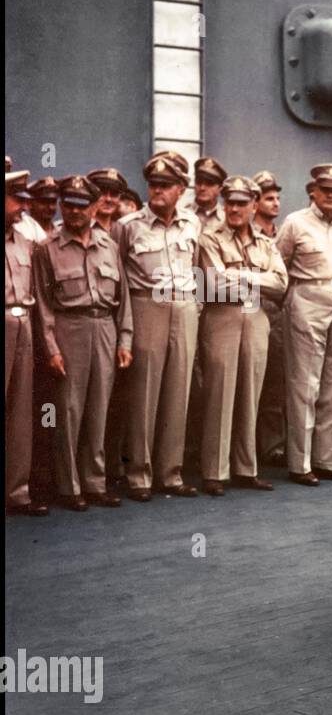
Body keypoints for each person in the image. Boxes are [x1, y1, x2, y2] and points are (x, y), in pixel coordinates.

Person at [32, 175, 133, 510]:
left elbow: (124, 299)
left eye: (80, 206)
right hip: (68, 328)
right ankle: (69, 486)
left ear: (93, 208)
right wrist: (52, 348)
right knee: (68, 411)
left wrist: (125, 340)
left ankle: (95, 481)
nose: (73, 212)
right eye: (68, 205)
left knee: (98, 409)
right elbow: (44, 305)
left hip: (104, 327)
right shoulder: (47, 249)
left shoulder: (109, 245)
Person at [113, 151, 203, 500]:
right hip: (146, 305)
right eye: (153, 184)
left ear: (181, 188)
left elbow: (195, 266)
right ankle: (138, 474)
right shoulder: (128, 226)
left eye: (165, 185)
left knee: (177, 394)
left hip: (183, 307)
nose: (157, 190)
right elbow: (120, 279)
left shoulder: (192, 224)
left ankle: (171, 473)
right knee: (143, 394)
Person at [194, 175, 288, 496]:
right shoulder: (210, 238)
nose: (234, 208)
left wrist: (241, 274)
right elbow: (213, 284)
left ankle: (246, 468)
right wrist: (258, 279)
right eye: (229, 202)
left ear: (253, 205)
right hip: (223, 316)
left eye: (241, 202)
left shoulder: (265, 242)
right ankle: (214, 471)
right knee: (220, 392)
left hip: (256, 317)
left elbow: (281, 283)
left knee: (251, 391)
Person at [276, 163, 332, 484]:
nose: (330, 195)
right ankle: (301, 463)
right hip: (306, 298)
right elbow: (279, 265)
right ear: (313, 191)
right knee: (304, 384)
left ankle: (328, 459)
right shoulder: (296, 223)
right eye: (324, 189)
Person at [5, 168, 46, 516]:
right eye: (16, 199)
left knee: (21, 412)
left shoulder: (26, 236)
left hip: (24, 322)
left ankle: (17, 491)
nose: (23, 206)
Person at [250, 170, 288, 466]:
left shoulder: (281, 234)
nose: (275, 203)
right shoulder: (249, 235)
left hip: (277, 314)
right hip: (251, 310)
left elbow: (285, 276)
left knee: (275, 382)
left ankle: (272, 446)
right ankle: (247, 447)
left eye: (277, 197)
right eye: (268, 198)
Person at [190, 157, 227, 235]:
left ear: (220, 188)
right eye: (199, 182)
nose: (202, 188)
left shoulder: (226, 218)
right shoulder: (182, 214)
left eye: (209, 183)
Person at [87, 168, 129, 234]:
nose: (108, 199)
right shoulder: (81, 228)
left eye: (114, 194)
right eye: (102, 193)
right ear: (91, 195)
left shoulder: (124, 231)